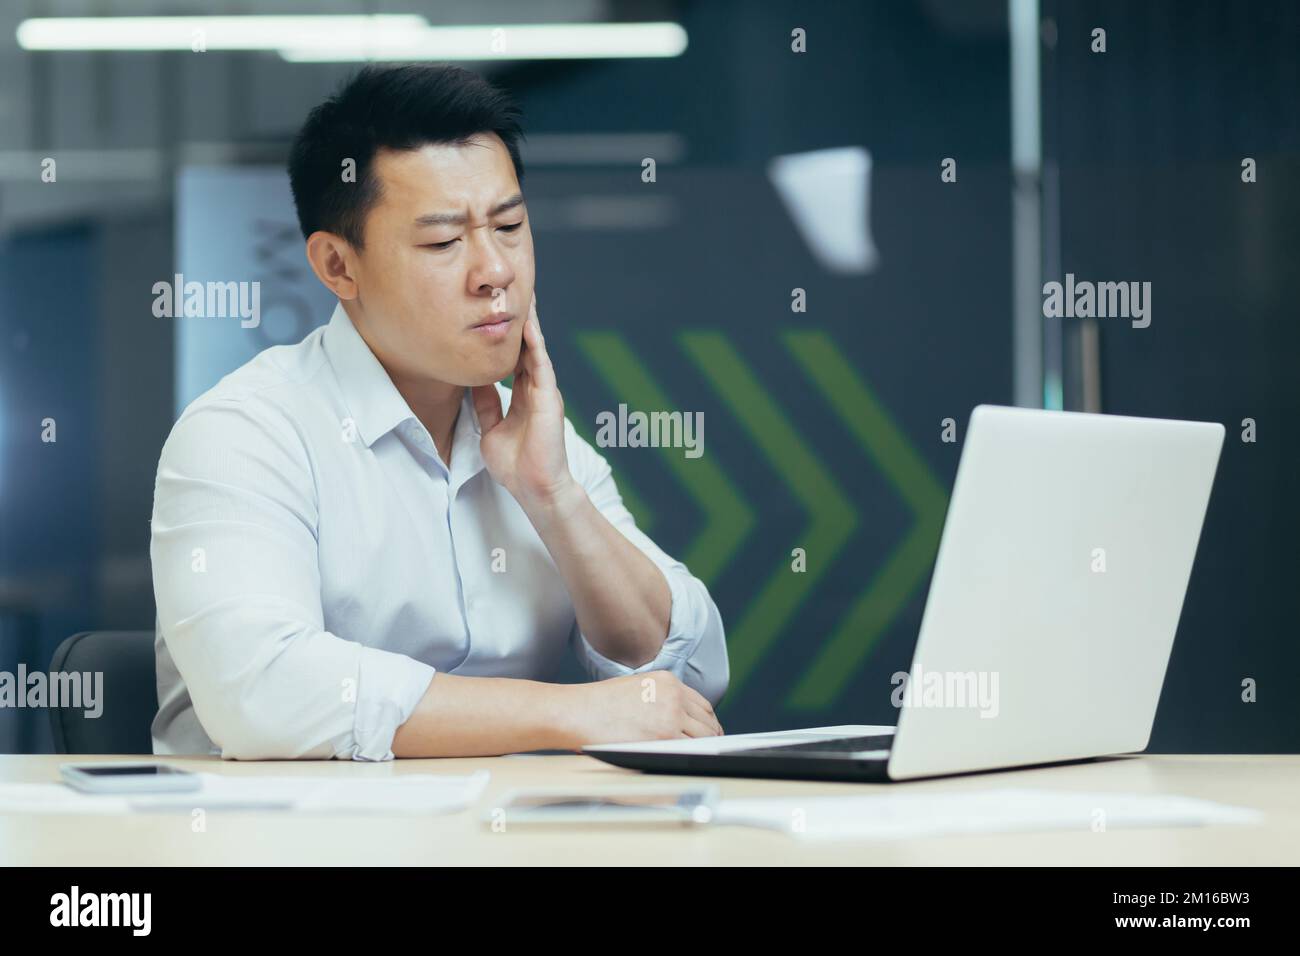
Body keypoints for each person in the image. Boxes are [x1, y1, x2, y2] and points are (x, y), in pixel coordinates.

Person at [149, 65, 727, 760]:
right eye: (444, 243)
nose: (494, 271)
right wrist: (567, 714)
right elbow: (266, 695)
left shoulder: (531, 433)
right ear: (338, 267)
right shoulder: (244, 435)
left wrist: (555, 498)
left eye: (509, 225)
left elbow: (692, 674)